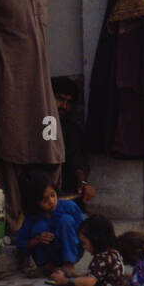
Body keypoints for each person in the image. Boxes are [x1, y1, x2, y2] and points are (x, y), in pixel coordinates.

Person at [0, 0, 64, 231]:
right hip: (9, 81)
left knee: (51, 146)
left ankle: (47, 214)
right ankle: (13, 222)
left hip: (41, 82)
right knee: (11, 147)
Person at [13, 170, 85, 275]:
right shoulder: (32, 217)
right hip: (49, 253)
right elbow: (21, 242)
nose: (51, 201)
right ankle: (46, 266)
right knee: (38, 227)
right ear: (34, 202)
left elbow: (84, 230)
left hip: (71, 250)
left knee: (66, 220)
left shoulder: (69, 207)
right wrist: (37, 240)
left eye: (53, 195)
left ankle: (68, 265)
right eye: (45, 200)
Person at [51, 76, 94, 209]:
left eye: (69, 102)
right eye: (60, 99)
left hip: (65, 191)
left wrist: (83, 182)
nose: (64, 106)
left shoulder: (72, 128)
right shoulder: (41, 124)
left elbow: (77, 159)